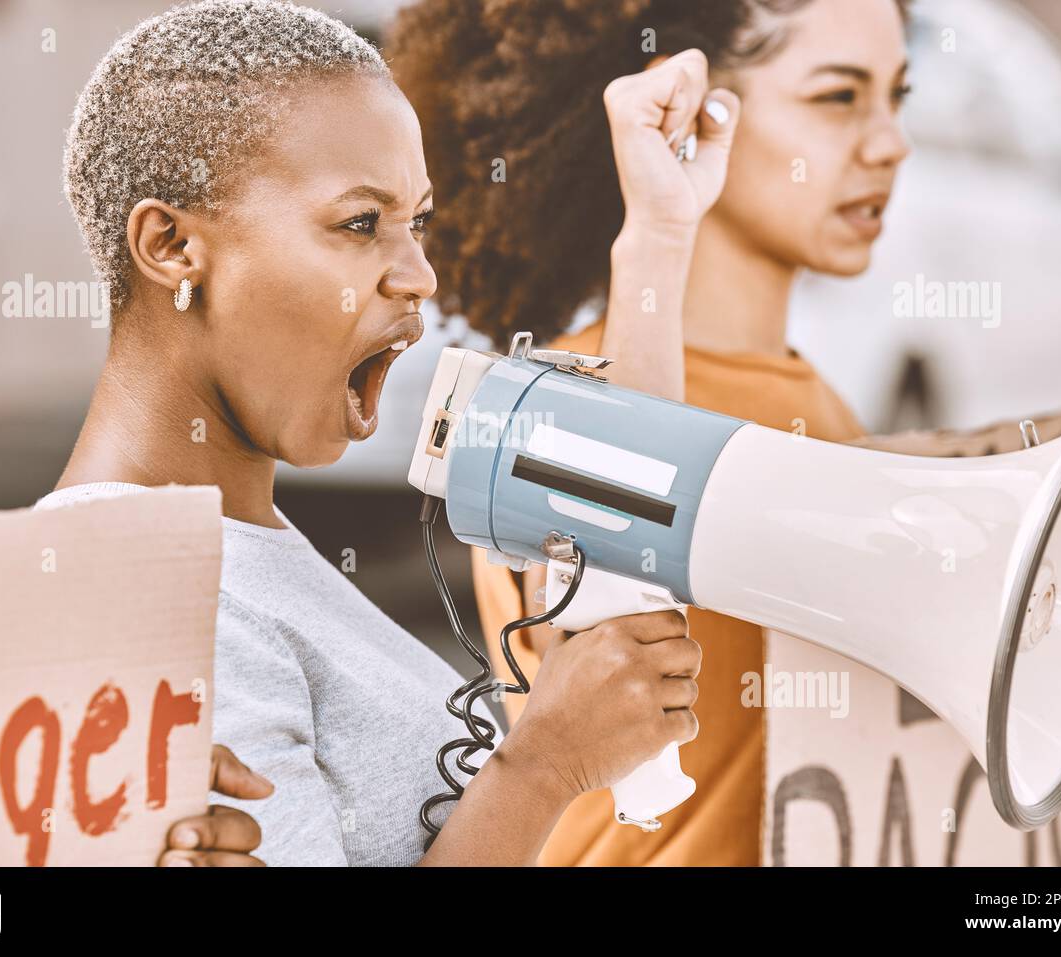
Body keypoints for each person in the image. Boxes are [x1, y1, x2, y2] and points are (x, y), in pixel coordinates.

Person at [36, 0, 701, 867]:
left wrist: (659, 231)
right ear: (170, 245)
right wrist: (541, 765)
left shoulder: (236, 553)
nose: (418, 273)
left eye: (416, 222)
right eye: (360, 223)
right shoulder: (144, 594)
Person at [390, 0, 912, 865]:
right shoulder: (552, 406)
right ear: (695, 109)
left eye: (898, 94)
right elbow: (610, 619)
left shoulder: (812, 396)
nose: (890, 141)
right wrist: (660, 233)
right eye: (837, 97)